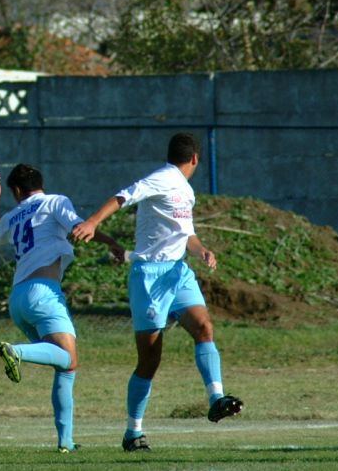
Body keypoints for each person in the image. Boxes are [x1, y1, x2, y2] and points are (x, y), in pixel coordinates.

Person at [70, 132, 243, 452]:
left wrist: (202, 250)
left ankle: (217, 397)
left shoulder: (186, 191)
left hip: (178, 273)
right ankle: (133, 432)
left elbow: (186, 234)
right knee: (150, 359)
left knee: (204, 327)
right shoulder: (161, 179)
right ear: (195, 159)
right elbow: (124, 196)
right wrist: (93, 221)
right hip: (149, 277)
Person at [0, 163, 125, 453]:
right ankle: (16, 351)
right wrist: (109, 240)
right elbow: (78, 226)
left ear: (18, 191)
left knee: (66, 365)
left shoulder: (14, 214)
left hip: (18, 298)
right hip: (43, 293)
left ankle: (66, 442)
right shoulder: (55, 201)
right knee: (66, 358)